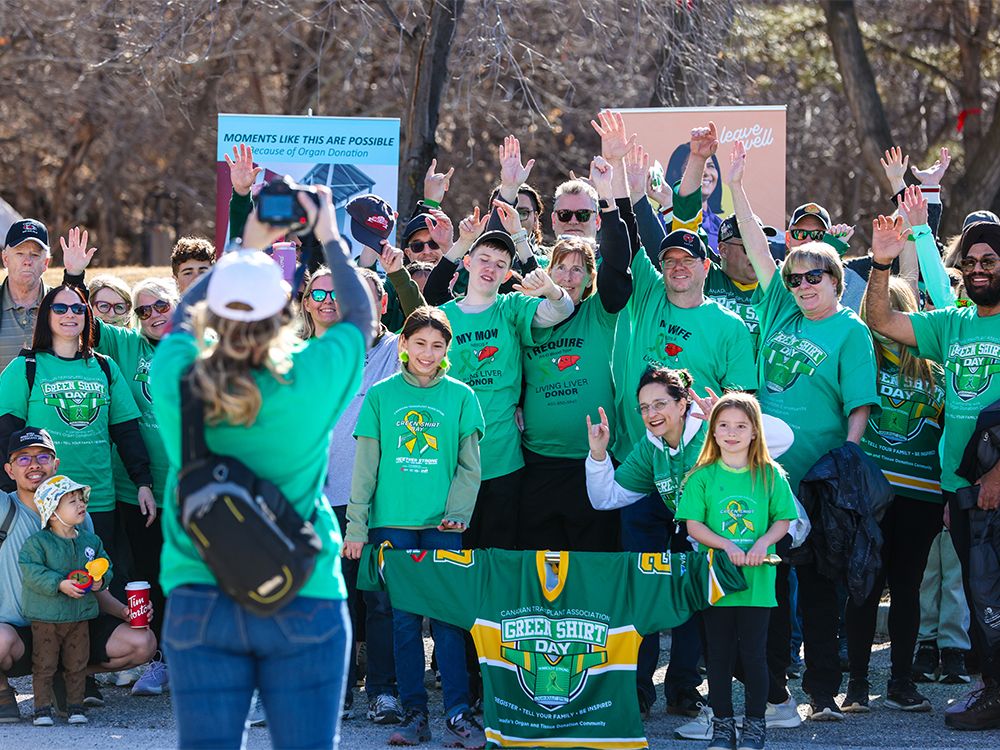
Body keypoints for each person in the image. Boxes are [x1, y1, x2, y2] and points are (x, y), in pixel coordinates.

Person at [150, 185, 375, 749]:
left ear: (212, 312)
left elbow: (179, 319)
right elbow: (360, 316)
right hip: (305, 589)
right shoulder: (314, 373)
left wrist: (244, 247)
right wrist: (329, 235)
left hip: (200, 590)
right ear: (285, 311)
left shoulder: (176, 372)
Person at [728, 139, 878, 722]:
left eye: (815, 276)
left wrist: (848, 463)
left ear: (837, 279)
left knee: (818, 589)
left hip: (819, 475)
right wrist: (737, 185)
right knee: (765, 579)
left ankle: (821, 691)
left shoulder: (850, 331)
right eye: (795, 278)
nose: (803, 285)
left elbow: (859, 405)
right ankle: (770, 690)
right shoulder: (782, 308)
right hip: (767, 470)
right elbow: (762, 254)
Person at [864, 213, 1000, 731]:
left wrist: (997, 475)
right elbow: (882, 320)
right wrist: (880, 262)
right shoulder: (953, 322)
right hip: (961, 488)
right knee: (984, 596)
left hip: (993, 484)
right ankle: (991, 687)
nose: (978, 269)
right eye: (970, 262)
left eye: (989, 260)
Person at [343, 305, 485, 747]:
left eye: (437, 345)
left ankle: (458, 715)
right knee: (403, 621)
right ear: (402, 344)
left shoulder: (461, 396)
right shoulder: (382, 395)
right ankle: (414, 714)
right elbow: (366, 467)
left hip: (443, 527)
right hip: (391, 526)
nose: (427, 352)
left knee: (446, 620)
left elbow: (469, 467)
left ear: (447, 349)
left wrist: (458, 513)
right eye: (419, 343)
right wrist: (356, 527)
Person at [308, 246, 425, 724]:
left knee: (381, 602)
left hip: (381, 503)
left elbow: (422, 316)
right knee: (333, 601)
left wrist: (397, 277)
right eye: (329, 295)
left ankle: (382, 690)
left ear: (377, 304)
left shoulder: (397, 350)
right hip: (321, 500)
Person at [517, 129, 635, 552]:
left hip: (593, 460)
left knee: (591, 567)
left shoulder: (599, 313)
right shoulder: (529, 312)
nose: (568, 276)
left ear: (590, 279)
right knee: (538, 567)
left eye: (577, 270)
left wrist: (608, 197)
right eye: (560, 268)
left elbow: (621, 264)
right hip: (536, 461)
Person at [842, 245, 947, 713]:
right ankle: (859, 685)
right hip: (873, 492)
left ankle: (901, 683)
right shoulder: (865, 354)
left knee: (906, 588)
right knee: (864, 586)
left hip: (923, 494)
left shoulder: (938, 366)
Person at [0, 278, 154, 591]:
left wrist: (143, 482)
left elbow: (125, 431)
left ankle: (105, 641)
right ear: (46, 315)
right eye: (60, 307)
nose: (70, 314)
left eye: (78, 308)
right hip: (40, 501)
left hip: (96, 499)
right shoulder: (25, 366)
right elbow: (5, 436)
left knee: (97, 585)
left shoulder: (105, 367)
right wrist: (10, 496)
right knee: (45, 585)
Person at [436, 211, 573, 551]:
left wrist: (551, 290)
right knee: (455, 557)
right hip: (452, 463)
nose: (490, 268)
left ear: (507, 273)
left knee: (497, 556)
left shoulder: (511, 307)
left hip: (503, 460)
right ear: (467, 263)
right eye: (484, 259)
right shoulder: (444, 316)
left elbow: (562, 311)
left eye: (500, 264)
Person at [0, 427, 156, 724]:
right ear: (9, 470)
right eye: (23, 459)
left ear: (55, 466)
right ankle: (2, 692)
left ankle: (65, 676)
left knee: (142, 642)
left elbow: (93, 581)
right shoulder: (5, 508)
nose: (34, 464)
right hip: (18, 630)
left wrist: (126, 611)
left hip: (72, 626)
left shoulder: (79, 516)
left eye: (43, 457)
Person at [676, 392, 798, 750]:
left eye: (741, 426)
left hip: (757, 583)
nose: (732, 433)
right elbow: (693, 526)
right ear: (712, 432)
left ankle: (756, 726)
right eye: (724, 425)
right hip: (717, 582)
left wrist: (762, 543)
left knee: (754, 656)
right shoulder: (702, 477)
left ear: (755, 432)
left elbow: (784, 520)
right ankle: (724, 726)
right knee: (719, 656)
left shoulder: (771, 475)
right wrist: (725, 545)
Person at [18, 474, 112, 726]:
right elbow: (31, 570)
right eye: (72, 501)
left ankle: (75, 707)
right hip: (46, 616)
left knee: (77, 663)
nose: (81, 505)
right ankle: (41, 709)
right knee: (44, 663)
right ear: (52, 511)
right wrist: (58, 583)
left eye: (81, 499)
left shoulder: (90, 541)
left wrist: (101, 580)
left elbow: (104, 564)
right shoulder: (38, 543)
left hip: (79, 616)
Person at [1, 219, 85, 371]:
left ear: (45, 263)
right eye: (20, 253)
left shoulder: (62, 307)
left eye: (34, 254)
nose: (27, 261)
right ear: (5, 259)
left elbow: (89, 336)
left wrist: (75, 276)